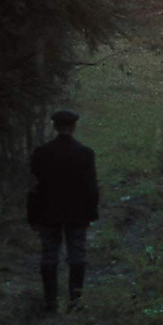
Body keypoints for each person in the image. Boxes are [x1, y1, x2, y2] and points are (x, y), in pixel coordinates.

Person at [27, 109, 99, 313]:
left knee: (49, 255)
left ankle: (51, 302)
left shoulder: (41, 152)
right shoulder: (85, 153)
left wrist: (32, 214)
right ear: (73, 127)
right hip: (77, 212)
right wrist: (92, 212)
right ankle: (75, 302)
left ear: (55, 127)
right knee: (77, 255)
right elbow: (91, 187)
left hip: (48, 211)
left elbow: (35, 186)